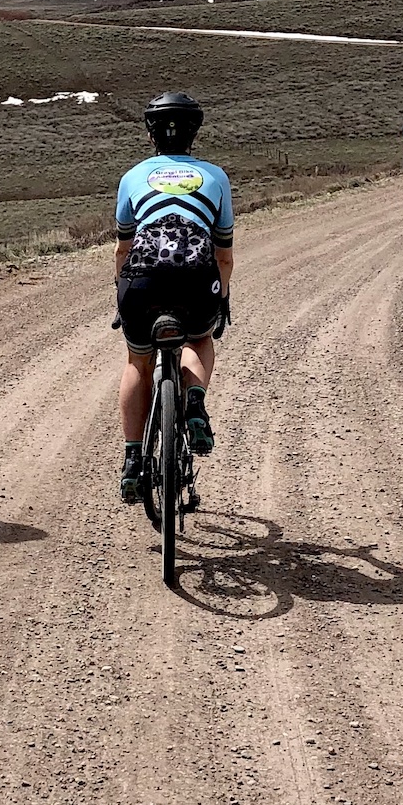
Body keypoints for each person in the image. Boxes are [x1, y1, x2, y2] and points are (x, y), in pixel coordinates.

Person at [113, 92, 234, 504]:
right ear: (194, 132)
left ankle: (133, 459)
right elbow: (224, 254)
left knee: (138, 361)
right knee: (200, 338)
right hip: (196, 279)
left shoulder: (132, 177)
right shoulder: (215, 176)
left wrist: (122, 294)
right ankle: (195, 401)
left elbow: (122, 251)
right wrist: (223, 297)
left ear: (151, 135)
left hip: (142, 281)